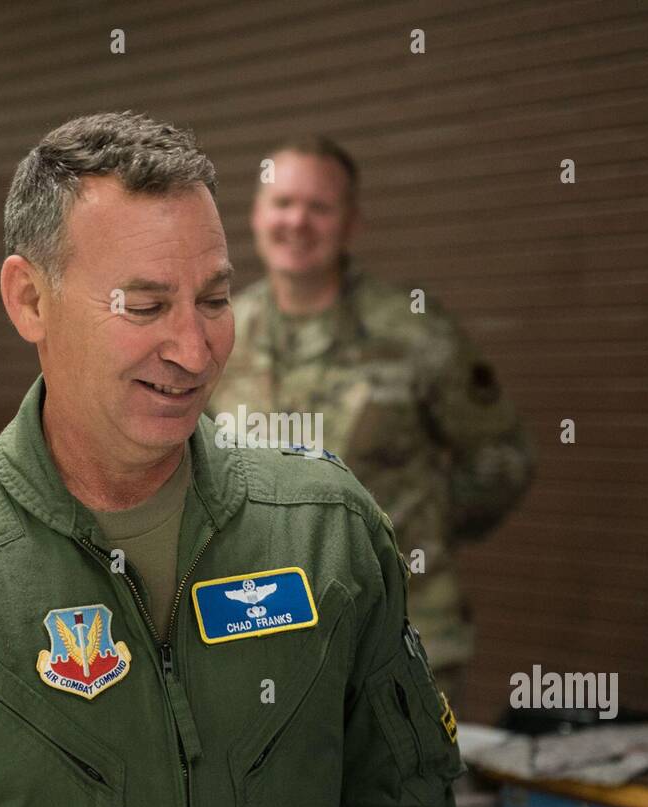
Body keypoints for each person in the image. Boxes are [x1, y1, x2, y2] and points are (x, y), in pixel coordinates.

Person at [0, 112, 471, 807]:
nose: (193, 350)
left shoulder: (325, 531)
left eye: (215, 300)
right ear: (30, 300)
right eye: (146, 305)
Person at [208, 136, 534, 700]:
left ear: (351, 223)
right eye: (283, 203)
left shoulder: (413, 331)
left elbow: (501, 459)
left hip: (401, 633)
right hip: (265, 635)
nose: (297, 221)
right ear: (257, 215)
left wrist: (416, 531)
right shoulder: (219, 334)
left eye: (319, 206)